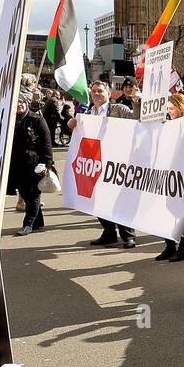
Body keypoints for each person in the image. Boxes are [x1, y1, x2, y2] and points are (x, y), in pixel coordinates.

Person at [68, 81, 135, 248]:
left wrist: (137, 103)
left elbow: (137, 124)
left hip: (118, 162)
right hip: (97, 162)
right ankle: (109, 231)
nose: (97, 94)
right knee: (98, 199)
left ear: (109, 93)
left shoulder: (119, 109)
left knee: (120, 198)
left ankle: (128, 235)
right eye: (94, 92)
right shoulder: (88, 113)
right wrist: (73, 125)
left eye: (100, 91)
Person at [155, 93, 184, 263]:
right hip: (168, 173)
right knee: (166, 210)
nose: (169, 110)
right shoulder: (167, 125)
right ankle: (170, 245)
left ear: (182, 107)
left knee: (182, 212)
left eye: (172, 107)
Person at [9, 88, 53, 235]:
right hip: (16, 164)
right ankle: (38, 222)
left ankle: (28, 224)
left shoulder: (37, 120)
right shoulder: (9, 120)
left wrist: (47, 164)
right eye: (16, 102)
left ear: (26, 103)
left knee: (33, 194)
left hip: (34, 164)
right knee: (25, 193)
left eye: (21, 101)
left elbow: (47, 144)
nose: (19, 105)